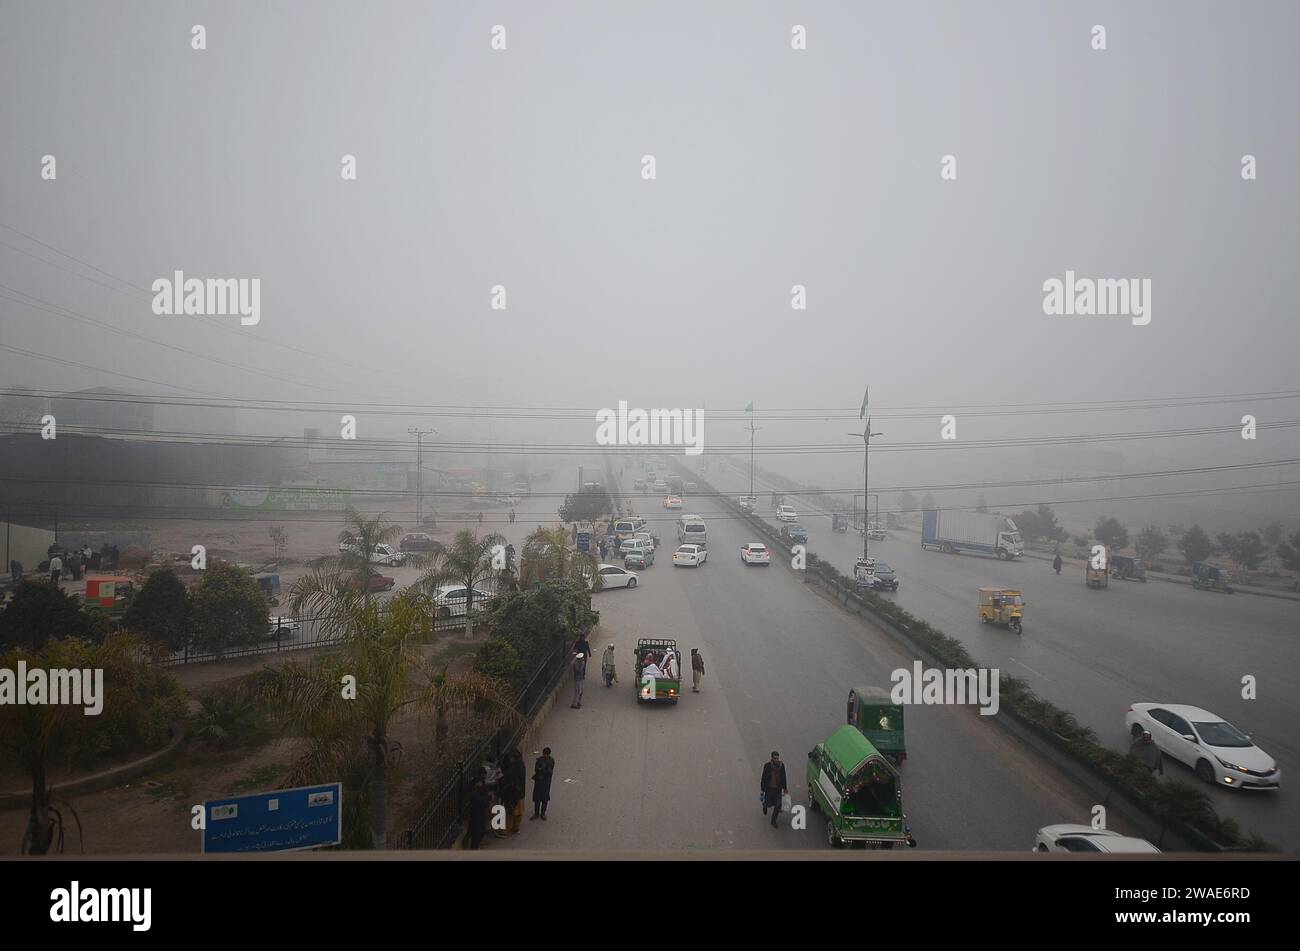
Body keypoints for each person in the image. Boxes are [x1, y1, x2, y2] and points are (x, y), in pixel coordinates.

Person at [760, 751, 788, 828]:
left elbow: (784, 777)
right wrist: (762, 790)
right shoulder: (767, 766)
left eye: (777, 758)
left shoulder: (781, 766)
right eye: (775, 758)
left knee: (778, 805)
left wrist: (785, 788)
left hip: (777, 789)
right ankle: (764, 806)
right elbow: (763, 778)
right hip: (769, 789)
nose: (777, 759)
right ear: (772, 758)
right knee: (768, 803)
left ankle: (773, 820)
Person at [465, 767, 490, 849]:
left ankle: (468, 843)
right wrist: (487, 799)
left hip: (477, 813)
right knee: (477, 832)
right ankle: (473, 847)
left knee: (473, 830)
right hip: (477, 814)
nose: (481, 783)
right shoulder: (474, 793)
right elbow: (481, 801)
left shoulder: (476, 790)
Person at [531, 747, 555, 820]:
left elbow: (549, 772)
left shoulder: (551, 761)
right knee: (537, 798)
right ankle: (536, 813)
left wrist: (541, 770)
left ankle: (543, 813)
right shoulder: (539, 760)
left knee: (544, 799)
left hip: (545, 782)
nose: (545, 755)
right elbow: (536, 769)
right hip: (539, 781)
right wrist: (542, 770)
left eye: (546, 754)